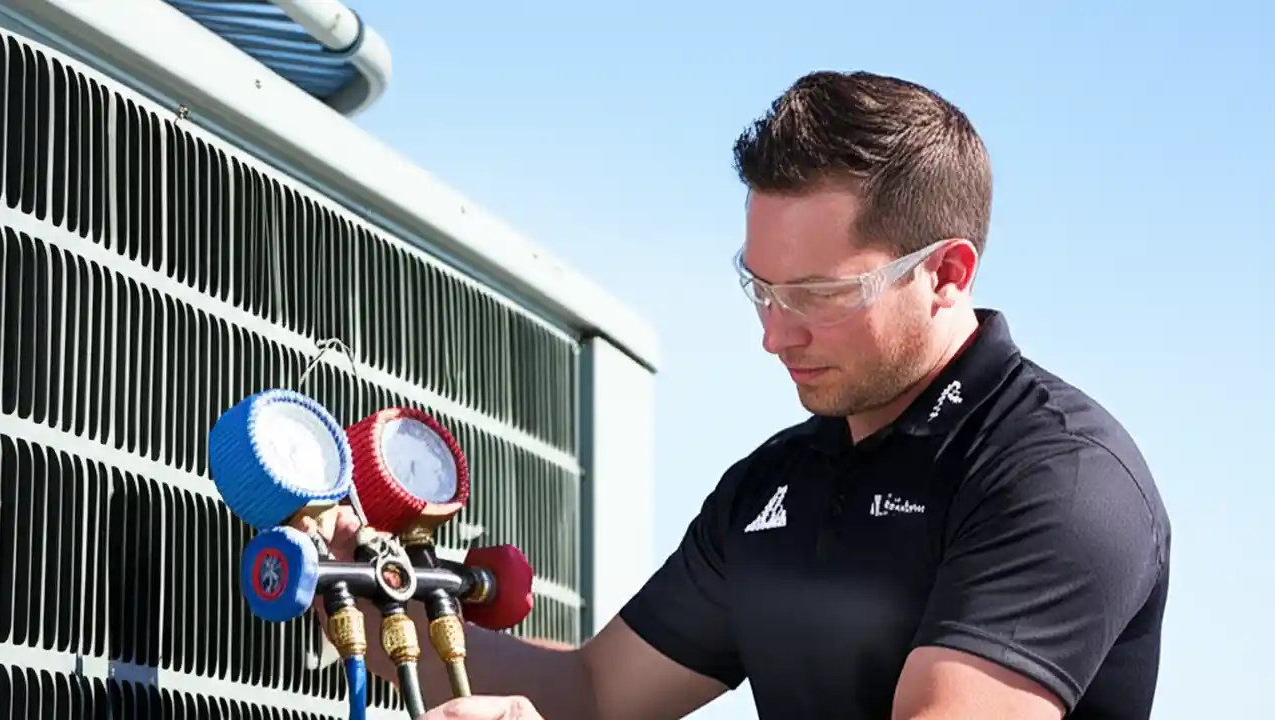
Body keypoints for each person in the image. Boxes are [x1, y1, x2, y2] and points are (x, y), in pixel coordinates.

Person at [316, 69, 1172, 719]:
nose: (775, 334)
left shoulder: (1058, 477)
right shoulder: (774, 484)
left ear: (946, 274)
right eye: (760, 288)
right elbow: (592, 691)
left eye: (821, 296)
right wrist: (354, 585)